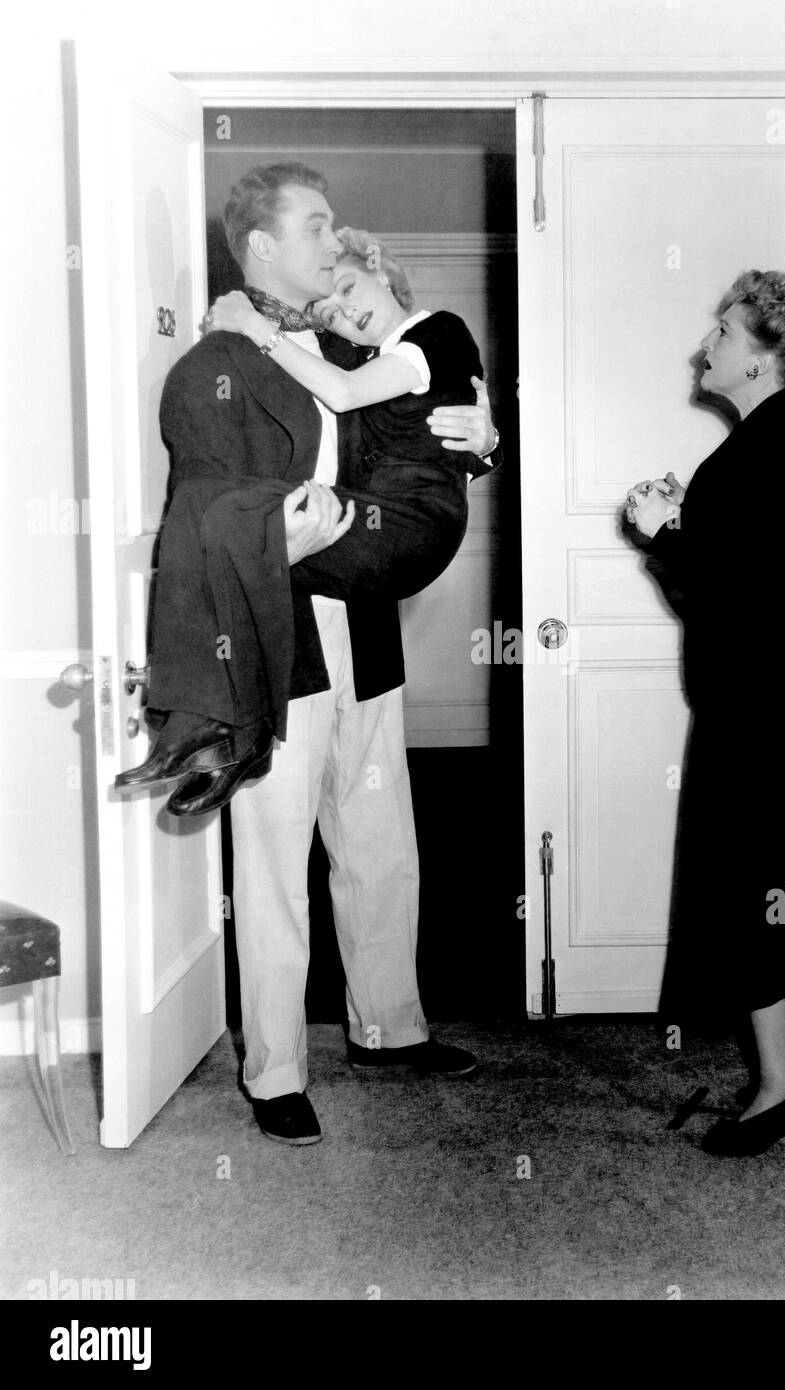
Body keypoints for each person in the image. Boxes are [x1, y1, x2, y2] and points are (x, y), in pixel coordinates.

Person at [141, 163, 500, 1145]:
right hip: (280, 636)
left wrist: (480, 437)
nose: (334, 240)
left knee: (382, 843)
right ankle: (275, 1067)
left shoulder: (350, 337)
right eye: (315, 225)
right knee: (272, 857)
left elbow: (417, 431)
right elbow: (209, 507)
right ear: (261, 246)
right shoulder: (216, 366)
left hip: (365, 631)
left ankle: (389, 1029)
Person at [626, 269, 785, 1157]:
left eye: (725, 334)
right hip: (782, 695)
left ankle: (775, 1087)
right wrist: (678, 534)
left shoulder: (767, 443)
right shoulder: (776, 438)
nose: (708, 346)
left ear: (765, 358)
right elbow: (735, 583)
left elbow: (729, 590)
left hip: (760, 706)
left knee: (748, 886)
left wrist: (663, 530)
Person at [117, 226, 486, 819]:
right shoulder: (358, 353)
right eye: (330, 310)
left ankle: (229, 732)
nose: (343, 311)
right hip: (340, 566)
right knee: (207, 511)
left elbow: (343, 396)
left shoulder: (436, 330)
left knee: (377, 835)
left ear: (382, 273)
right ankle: (215, 730)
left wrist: (489, 442)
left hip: (404, 531)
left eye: (348, 287)